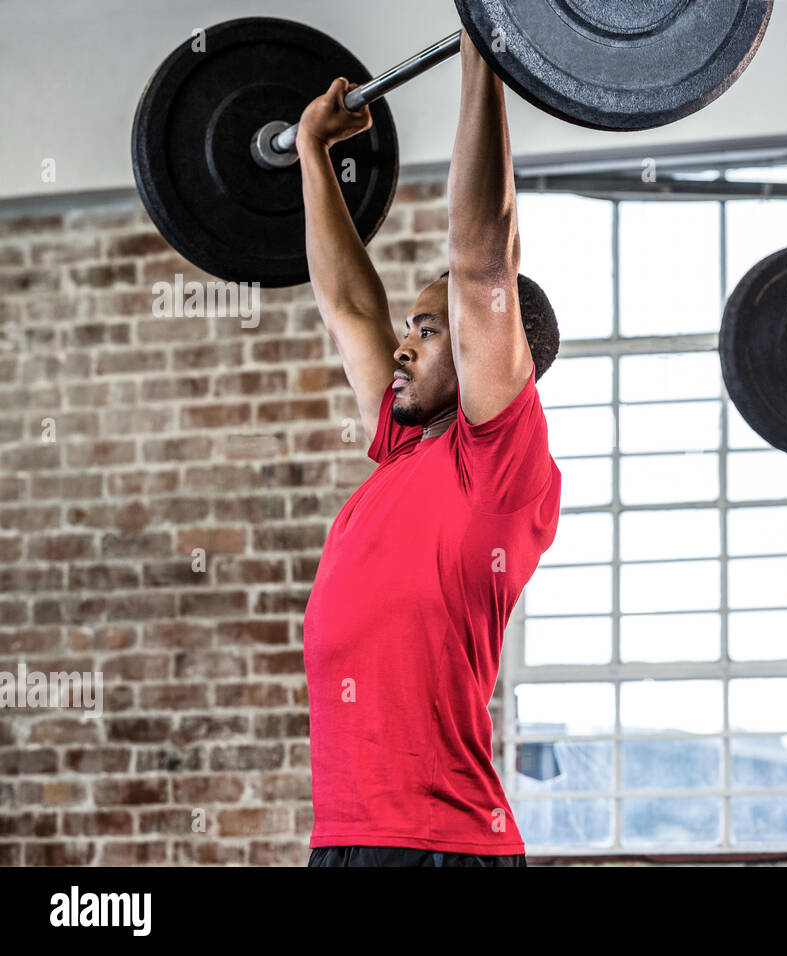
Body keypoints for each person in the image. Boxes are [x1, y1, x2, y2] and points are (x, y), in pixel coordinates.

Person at [295, 29, 561, 867]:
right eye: (409, 330)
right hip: (346, 836)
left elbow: (483, 265)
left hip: (441, 847)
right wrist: (312, 152)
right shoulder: (403, 447)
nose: (403, 347)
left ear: (494, 353)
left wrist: (489, 49)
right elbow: (346, 304)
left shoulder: (499, 466)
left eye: (428, 331)